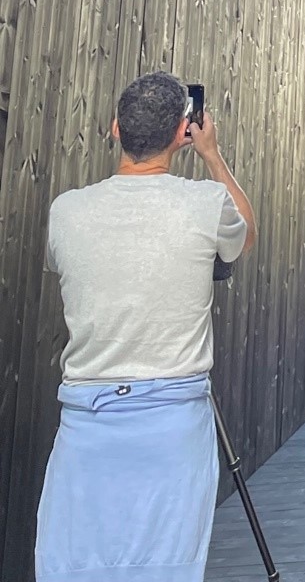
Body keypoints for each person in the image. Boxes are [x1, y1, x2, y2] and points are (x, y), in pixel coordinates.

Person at [35, 72, 255, 582]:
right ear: (184, 130)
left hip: (85, 424)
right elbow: (245, 238)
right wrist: (212, 156)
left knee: (73, 569)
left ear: (115, 128)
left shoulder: (65, 211)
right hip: (173, 423)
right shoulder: (205, 203)